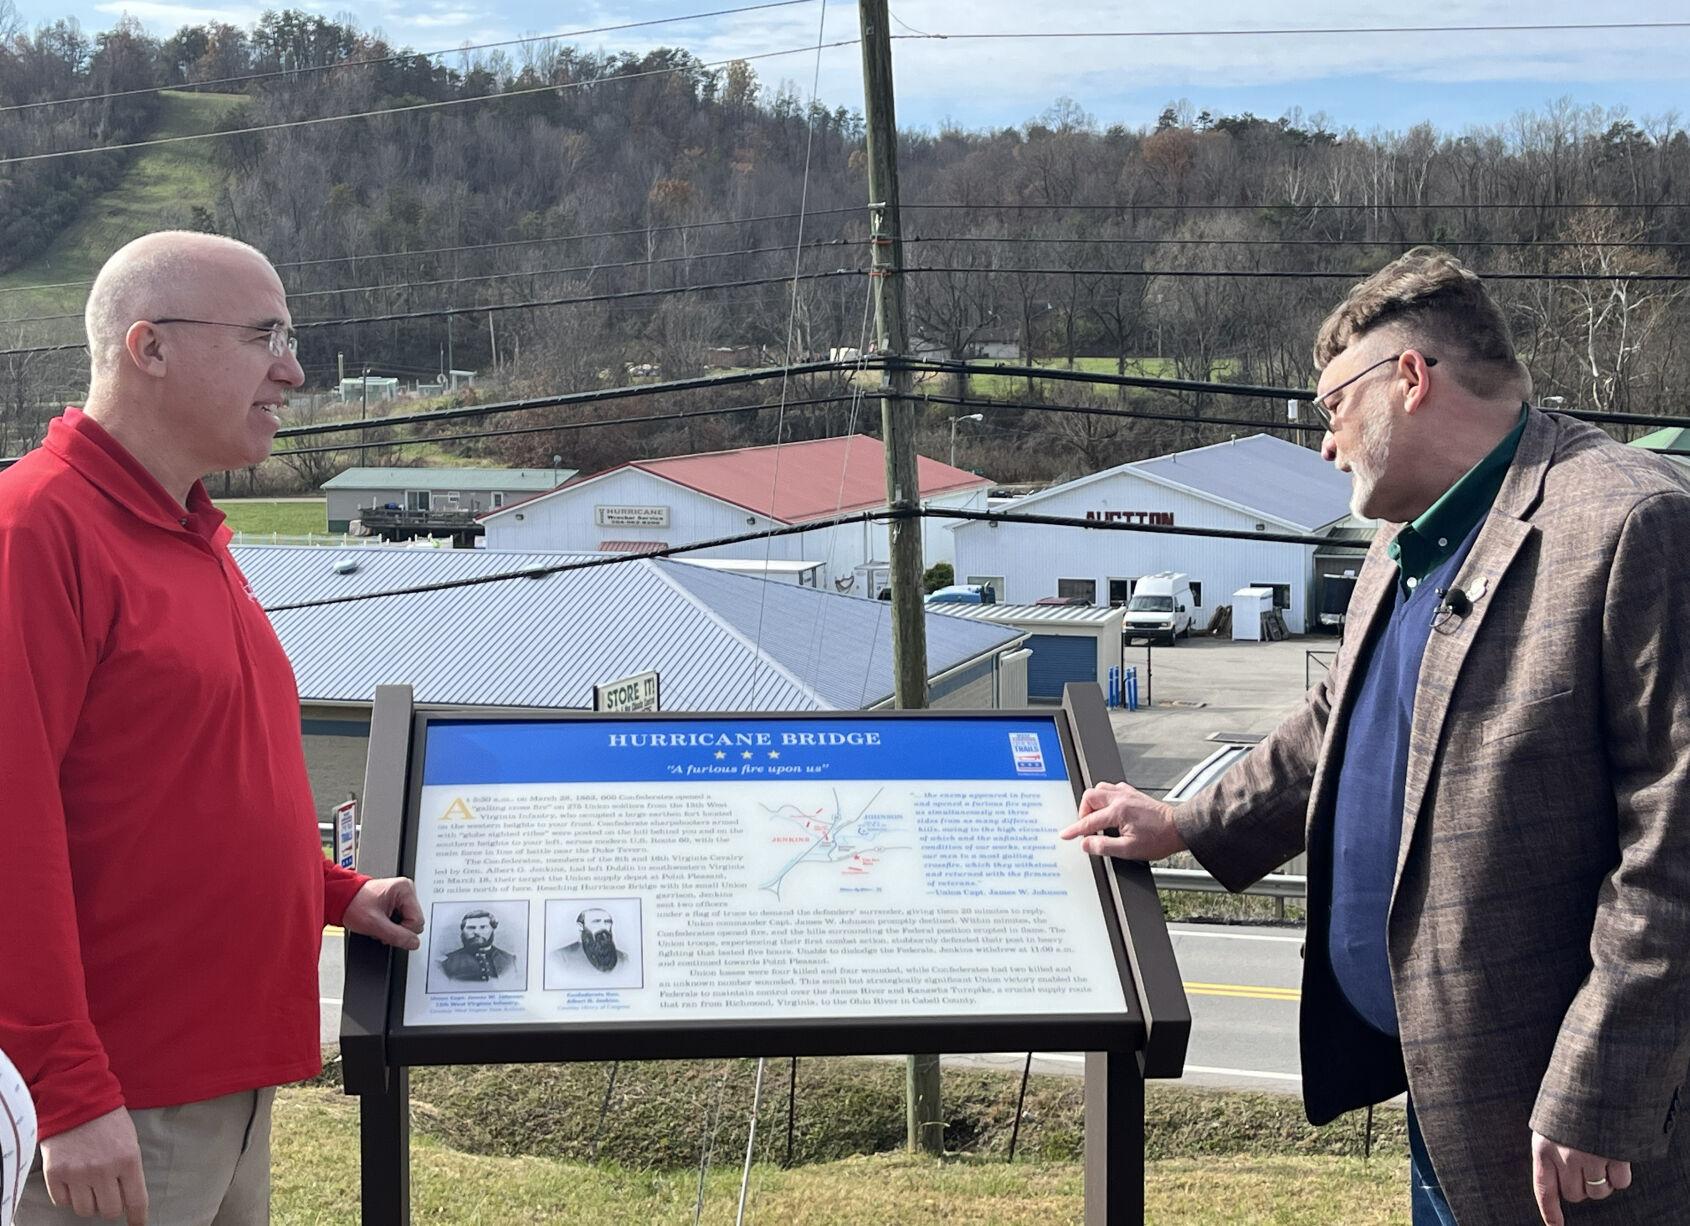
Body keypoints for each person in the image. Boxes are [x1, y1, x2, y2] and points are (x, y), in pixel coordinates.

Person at [1062, 248, 1690, 1226]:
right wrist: (1183, 820)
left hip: (1571, 1133)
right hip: (1447, 1093)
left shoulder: (1629, 522)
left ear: (1408, 376)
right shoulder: (1407, 545)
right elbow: (1334, 724)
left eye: (1329, 408)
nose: (1323, 446)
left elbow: (1676, 838)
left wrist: (1600, 1084)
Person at [0, 231, 426, 1226]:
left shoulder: (191, 532)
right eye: (263, 335)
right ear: (148, 348)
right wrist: (70, 1091)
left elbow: (170, 788)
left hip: (225, 1092)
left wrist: (334, 891)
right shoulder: (35, 532)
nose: (294, 367)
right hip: (117, 1109)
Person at [437, 910, 520, 985]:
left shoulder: (510, 960)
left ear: (493, 929)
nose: (477, 932)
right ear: (462, 931)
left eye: (483, 927)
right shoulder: (446, 963)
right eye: (471, 928)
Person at [549, 909, 630, 977]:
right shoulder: (560, 957)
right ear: (580, 926)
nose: (603, 926)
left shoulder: (623, 959)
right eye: (596, 922)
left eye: (607, 922)